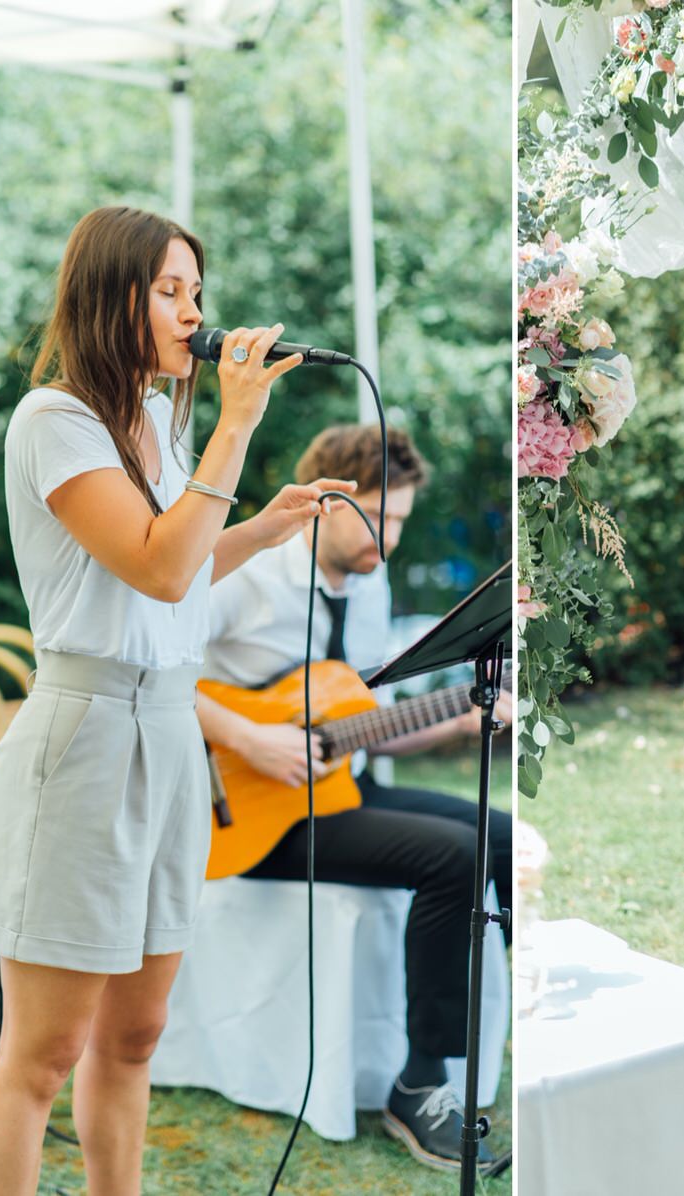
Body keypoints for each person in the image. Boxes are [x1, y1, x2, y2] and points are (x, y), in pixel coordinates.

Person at [0, 204, 354, 1195]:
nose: (195, 314)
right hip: (85, 733)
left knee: (135, 1034)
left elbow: (176, 572)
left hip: (171, 730)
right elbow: (154, 566)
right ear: (111, 297)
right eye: (170, 291)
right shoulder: (54, 419)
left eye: (198, 292)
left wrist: (263, 528)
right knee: (43, 1050)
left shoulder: (151, 425)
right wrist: (236, 426)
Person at [195, 423, 514, 1172]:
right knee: (455, 856)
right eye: (379, 518)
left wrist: (463, 717)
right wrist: (248, 739)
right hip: (241, 815)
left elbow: (358, 727)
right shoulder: (249, 574)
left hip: (336, 792)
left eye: (400, 521)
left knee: (498, 833)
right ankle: (421, 1083)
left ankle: (512, 1026)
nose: (390, 539)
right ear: (328, 501)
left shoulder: (369, 585)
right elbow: (154, 668)